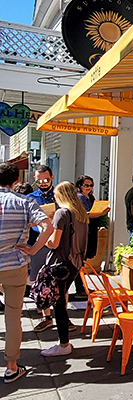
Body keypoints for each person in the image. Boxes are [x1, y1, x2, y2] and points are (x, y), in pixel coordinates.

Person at [0, 162, 53, 381]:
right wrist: (33, 249)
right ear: (17, 181)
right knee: (13, 315)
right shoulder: (24, 202)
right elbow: (47, 226)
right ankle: (12, 365)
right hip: (15, 263)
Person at [42, 182, 88, 358]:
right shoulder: (81, 213)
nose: (54, 197)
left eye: (55, 194)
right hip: (75, 262)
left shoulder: (62, 213)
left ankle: (63, 344)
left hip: (61, 262)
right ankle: (63, 342)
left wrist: (43, 231)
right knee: (61, 300)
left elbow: (53, 243)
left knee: (59, 304)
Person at [27, 165, 56, 333]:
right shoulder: (31, 198)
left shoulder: (59, 196)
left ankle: (61, 316)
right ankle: (46, 316)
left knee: (59, 279)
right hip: (37, 242)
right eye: (39, 180)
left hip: (56, 242)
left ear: (52, 177)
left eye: (45, 179)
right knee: (39, 279)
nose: (43, 183)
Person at [76, 175, 99, 261]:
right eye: (86, 185)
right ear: (80, 185)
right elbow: (84, 212)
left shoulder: (91, 197)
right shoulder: (80, 197)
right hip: (84, 227)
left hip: (92, 225)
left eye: (91, 185)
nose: (89, 187)